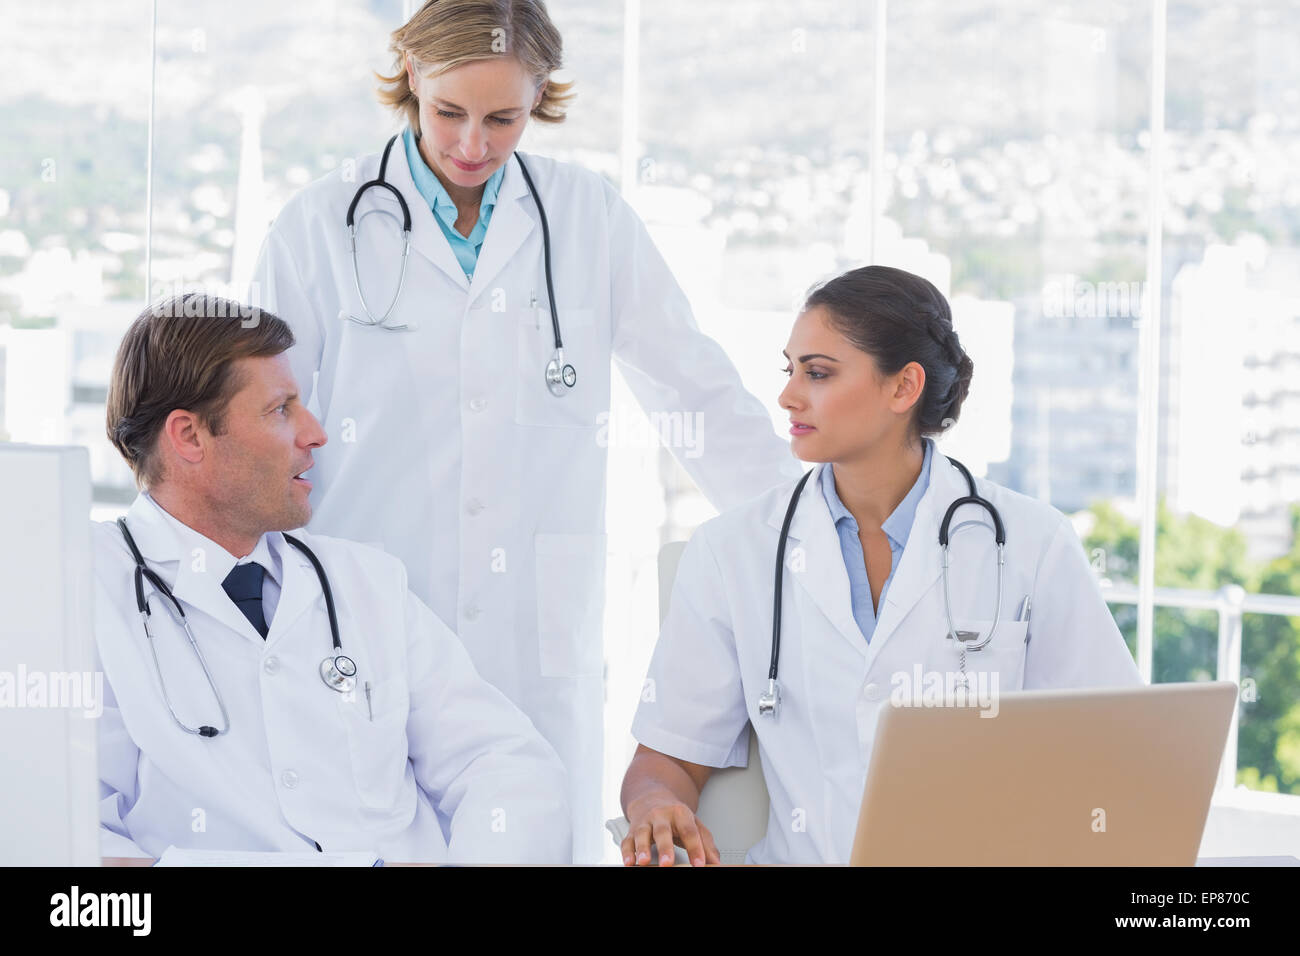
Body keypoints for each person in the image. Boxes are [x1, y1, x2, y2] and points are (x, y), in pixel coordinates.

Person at [250, 0, 800, 860]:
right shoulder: (322, 224)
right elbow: (260, 414)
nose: (472, 144)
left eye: (502, 118)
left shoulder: (587, 220)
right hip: (363, 614)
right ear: (411, 78)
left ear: (540, 94)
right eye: (449, 112)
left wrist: (807, 531)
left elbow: (695, 392)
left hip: (531, 642)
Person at [620, 265, 1144, 865]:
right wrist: (654, 805)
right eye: (790, 370)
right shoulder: (731, 551)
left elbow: (1115, 746)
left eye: (818, 373)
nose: (789, 396)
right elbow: (665, 759)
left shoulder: (1033, 543)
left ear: (903, 388)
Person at [96, 294, 570, 863]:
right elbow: (68, 834)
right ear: (190, 436)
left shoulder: (365, 582)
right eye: (281, 410)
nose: (316, 434)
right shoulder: (82, 590)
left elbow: (502, 762)